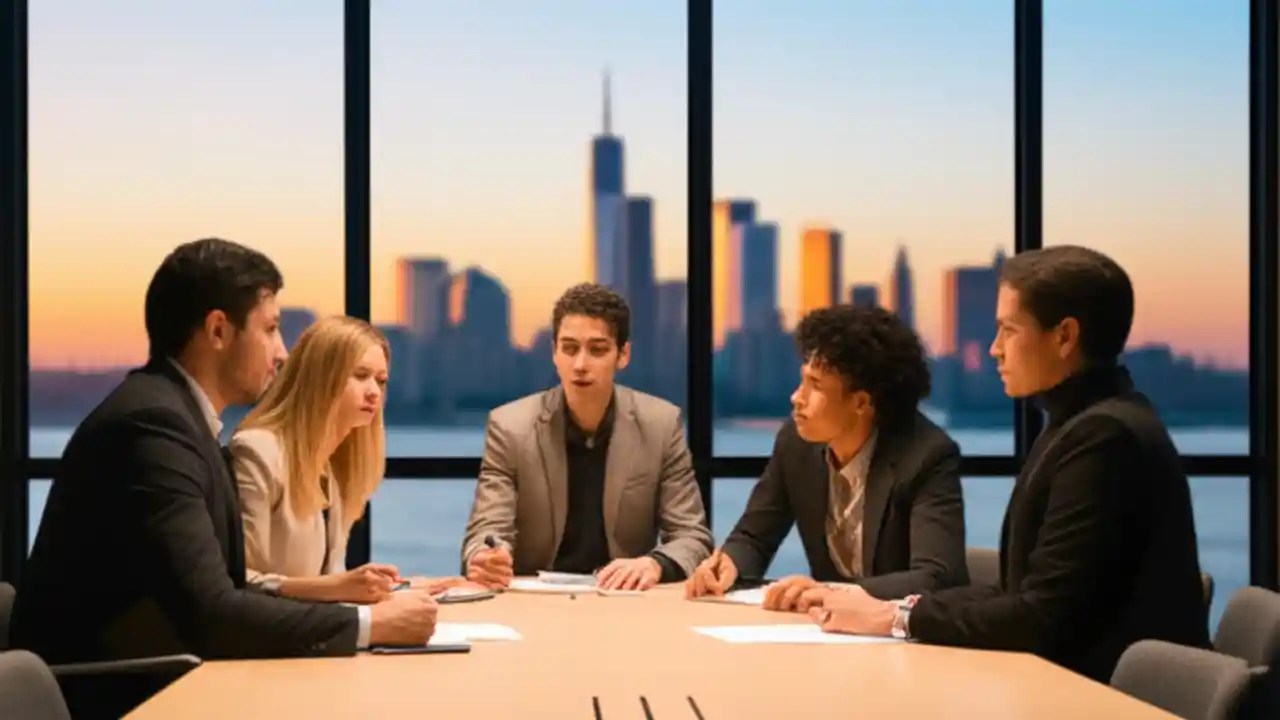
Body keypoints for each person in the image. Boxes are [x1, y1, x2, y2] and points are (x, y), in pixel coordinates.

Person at [12, 239, 438, 670]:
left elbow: (227, 596)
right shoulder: (152, 428)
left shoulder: (179, 421)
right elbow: (211, 614)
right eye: (270, 330)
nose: (282, 352)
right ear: (218, 330)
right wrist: (370, 624)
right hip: (111, 690)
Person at [811, 245, 1209, 683]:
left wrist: (894, 619)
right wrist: (900, 610)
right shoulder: (1084, 422)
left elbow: (1041, 617)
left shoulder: (1104, 439)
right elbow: (1024, 593)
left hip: (1106, 702)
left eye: (1008, 330)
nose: (994, 350)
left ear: (1064, 336)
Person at [685, 305, 967, 609]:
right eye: (802, 380)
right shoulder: (796, 443)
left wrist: (830, 592)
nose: (796, 397)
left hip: (911, 638)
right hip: (830, 636)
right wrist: (729, 563)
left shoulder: (927, 456)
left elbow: (934, 578)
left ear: (861, 402)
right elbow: (754, 536)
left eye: (815, 385)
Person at [462, 283, 713, 591]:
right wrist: (487, 557)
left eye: (597, 350)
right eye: (569, 348)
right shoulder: (510, 426)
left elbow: (693, 537)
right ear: (554, 352)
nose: (580, 364)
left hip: (626, 599)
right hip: (535, 601)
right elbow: (487, 528)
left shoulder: (660, 424)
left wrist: (654, 563)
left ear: (623, 355)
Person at [230, 315, 450, 603]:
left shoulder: (333, 469)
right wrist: (340, 587)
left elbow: (332, 580)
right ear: (320, 378)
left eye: (381, 381)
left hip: (316, 632)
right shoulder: (257, 452)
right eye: (360, 376)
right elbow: (236, 581)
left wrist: (398, 588)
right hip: (265, 640)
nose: (374, 392)